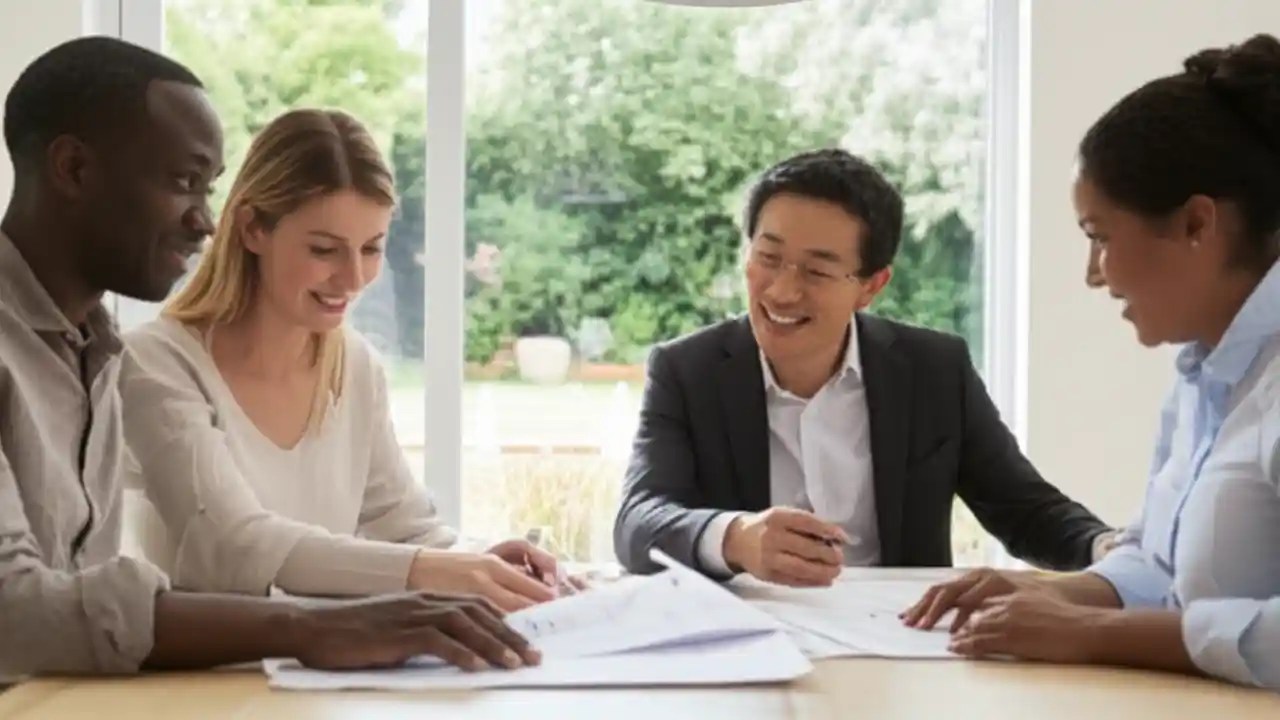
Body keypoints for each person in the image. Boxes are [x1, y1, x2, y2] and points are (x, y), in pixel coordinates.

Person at [0, 36, 537, 678]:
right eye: (182, 182)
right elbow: (16, 610)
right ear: (75, 169)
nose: (205, 221)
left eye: (208, 187)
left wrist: (477, 572)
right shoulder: (148, 361)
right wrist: (312, 626)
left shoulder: (97, 354)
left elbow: (402, 525)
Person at [901, 33, 1280, 692]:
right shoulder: (1204, 371)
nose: (1092, 275)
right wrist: (1062, 593)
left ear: (1196, 224)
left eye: (1100, 239)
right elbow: (1159, 564)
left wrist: (1093, 632)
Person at [118, 107, 569, 612]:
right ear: (251, 229)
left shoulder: (354, 367)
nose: (353, 279)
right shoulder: (155, 363)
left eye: (372, 249)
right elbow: (235, 544)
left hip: (319, 678)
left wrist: (483, 562)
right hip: (189, 684)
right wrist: (445, 569)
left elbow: (406, 531)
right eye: (325, 250)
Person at [614, 148, 1111, 585]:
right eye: (768, 257)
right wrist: (736, 539)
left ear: (871, 286)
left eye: (817, 271)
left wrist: (1104, 547)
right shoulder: (687, 370)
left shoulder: (934, 369)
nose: (782, 290)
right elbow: (639, 521)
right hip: (747, 638)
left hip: (897, 644)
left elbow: (1023, 508)